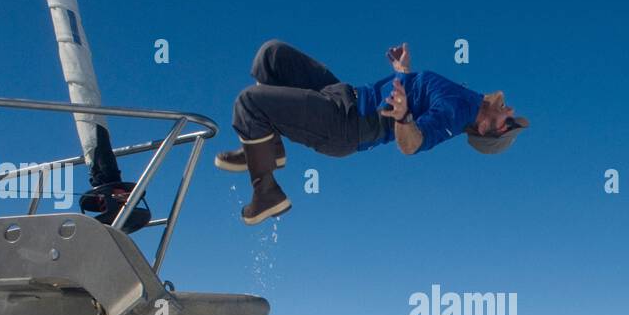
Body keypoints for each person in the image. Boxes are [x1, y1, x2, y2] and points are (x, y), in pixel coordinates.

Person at [216, 40, 529, 224]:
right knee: (273, 56)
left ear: (485, 129)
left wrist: (403, 116)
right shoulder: (467, 98)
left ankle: (267, 193)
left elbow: (411, 145)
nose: (511, 113)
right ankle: (267, 150)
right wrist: (403, 73)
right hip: (345, 95)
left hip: (346, 125)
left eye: (508, 125)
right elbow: (416, 93)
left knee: (249, 103)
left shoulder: (456, 114)